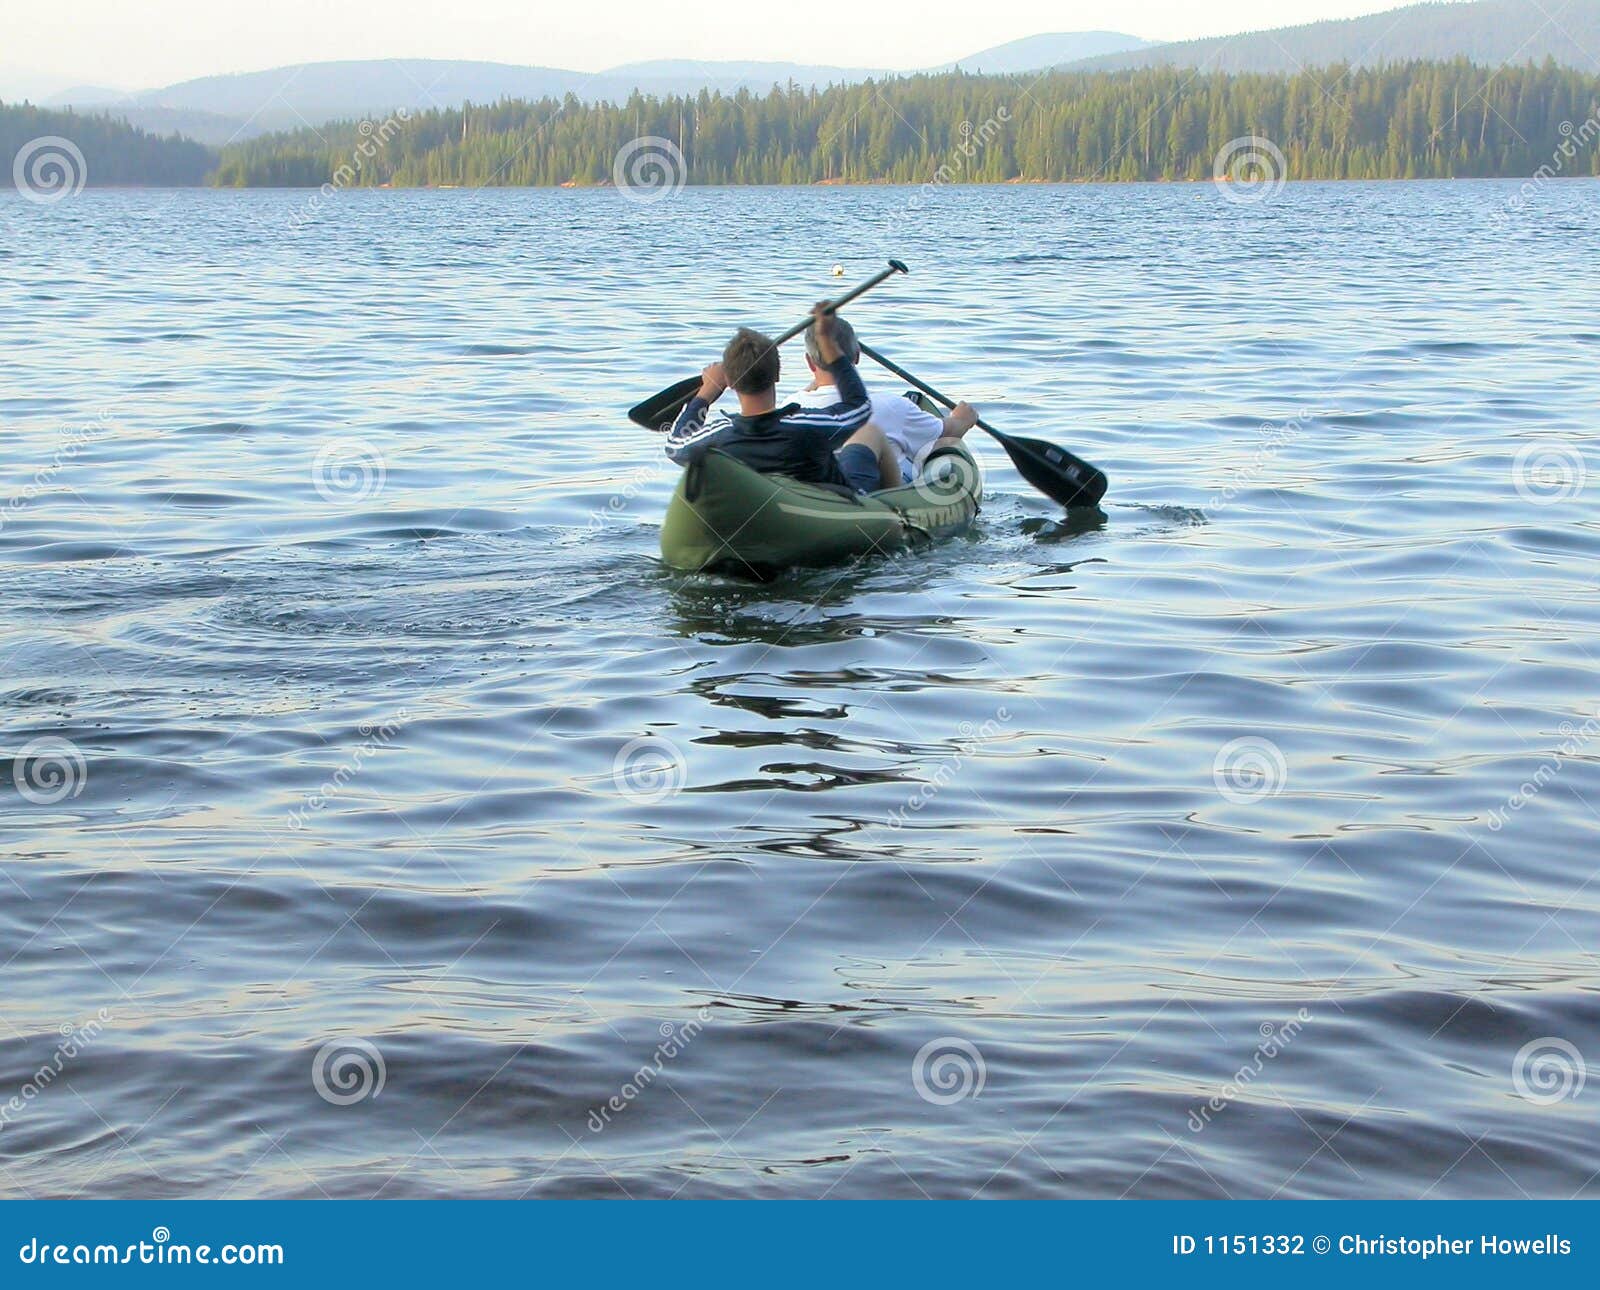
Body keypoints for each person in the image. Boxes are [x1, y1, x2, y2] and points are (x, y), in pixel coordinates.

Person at [664, 304, 900, 493]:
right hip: (828, 509)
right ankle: (897, 510)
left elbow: (674, 446)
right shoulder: (807, 424)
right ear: (777, 374)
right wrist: (828, 345)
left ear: (731, 383)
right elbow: (858, 407)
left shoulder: (718, 435)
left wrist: (706, 393)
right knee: (868, 433)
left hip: (766, 515)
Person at [786, 316, 979, 485]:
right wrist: (963, 418)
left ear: (809, 362)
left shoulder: (789, 407)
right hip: (883, 497)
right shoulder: (891, 406)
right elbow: (945, 434)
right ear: (857, 355)